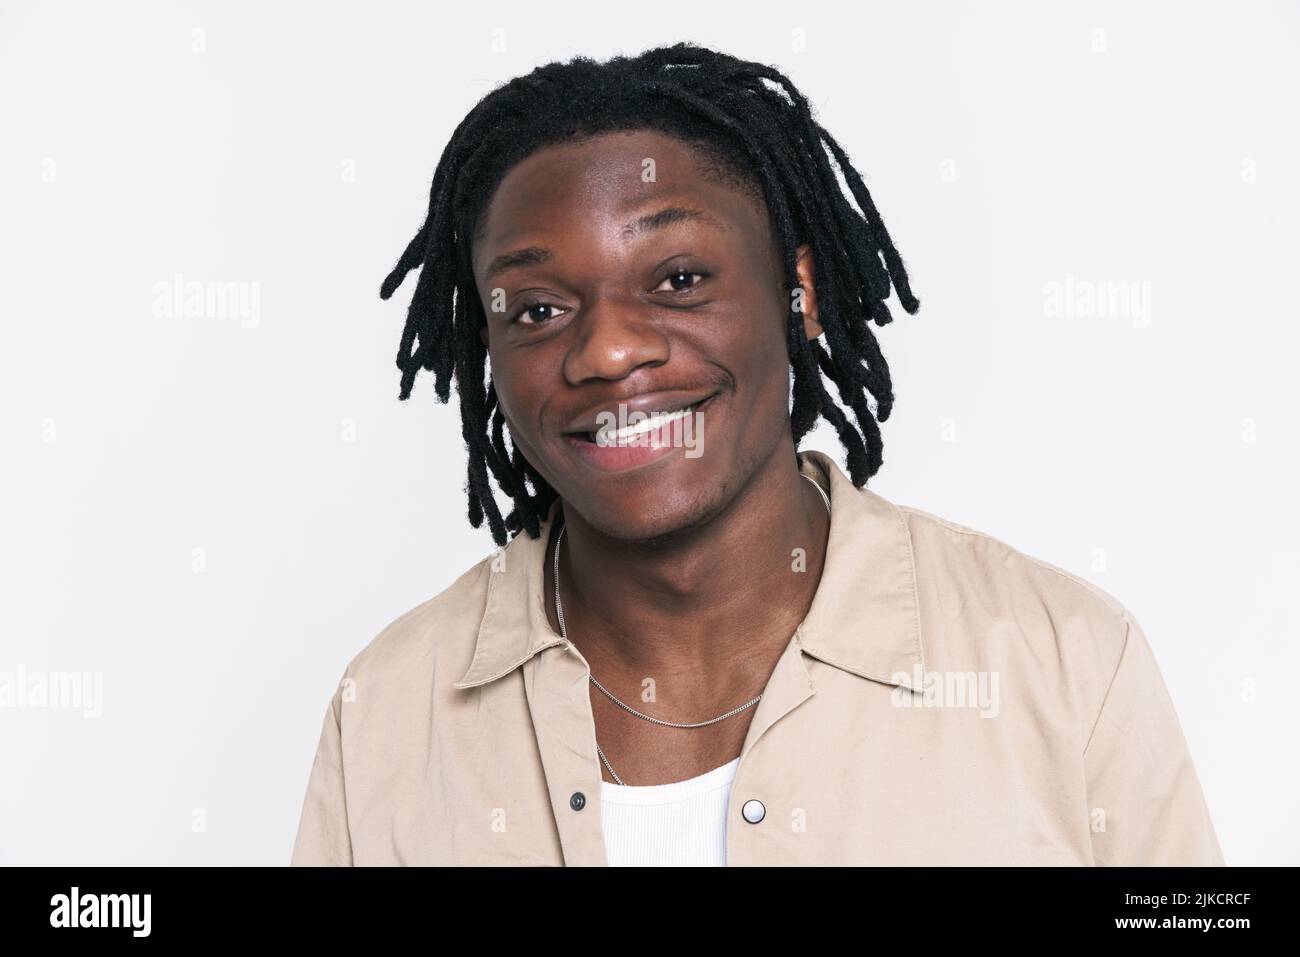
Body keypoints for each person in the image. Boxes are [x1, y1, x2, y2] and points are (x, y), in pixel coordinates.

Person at [290, 42, 1223, 866]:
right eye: (538, 309)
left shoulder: (1060, 663)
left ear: (801, 293)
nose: (609, 351)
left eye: (680, 279)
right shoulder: (392, 711)